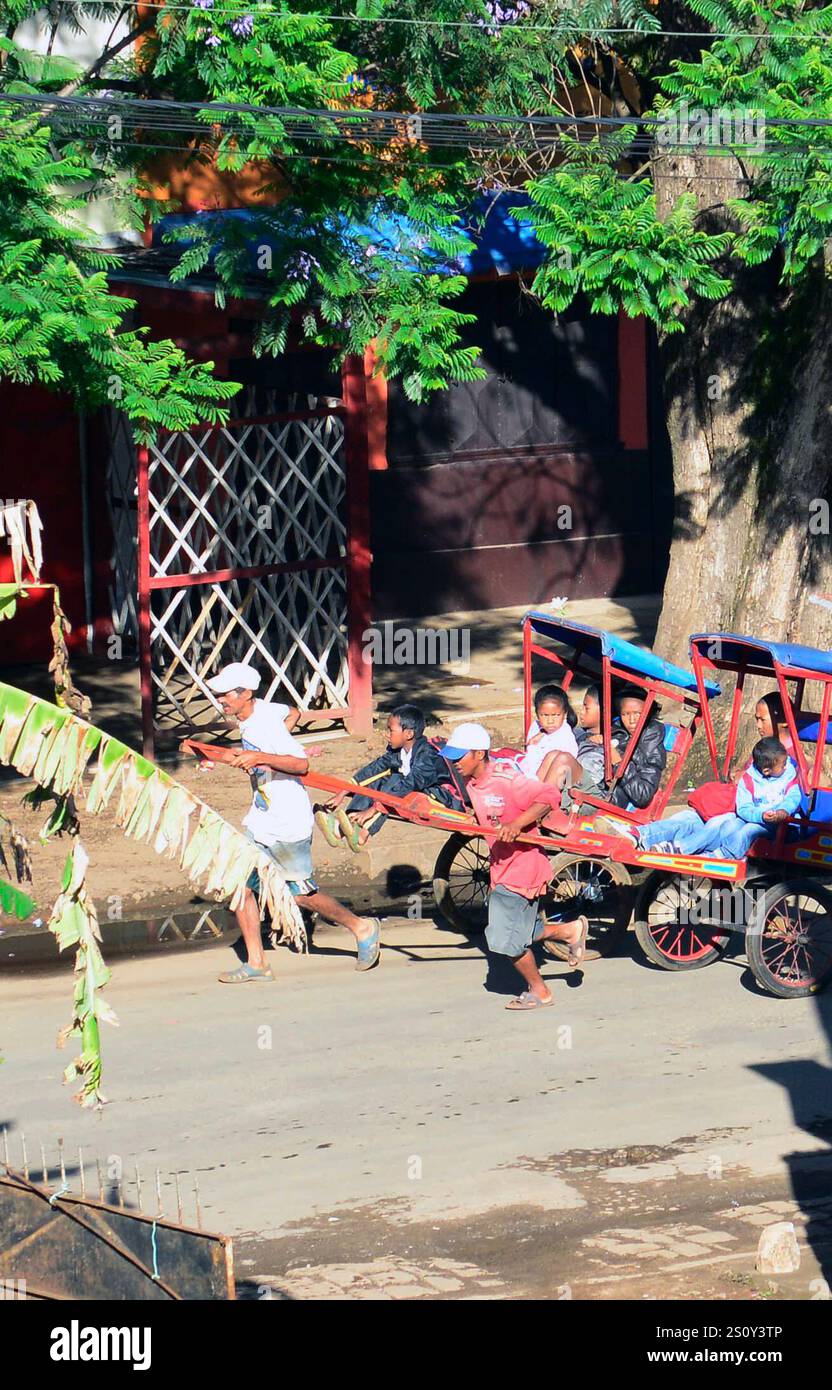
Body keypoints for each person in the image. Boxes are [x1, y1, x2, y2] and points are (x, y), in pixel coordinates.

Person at [196, 663, 381, 981]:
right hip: (261, 819)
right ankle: (257, 962)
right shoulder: (262, 712)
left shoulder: (264, 726)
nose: (220, 700)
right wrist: (210, 753)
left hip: (288, 820)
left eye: (226, 694)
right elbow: (292, 712)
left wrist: (263, 757)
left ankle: (362, 927)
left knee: (299, 895)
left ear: (246, 694)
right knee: (240, 885)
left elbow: (300, 763)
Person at [440, 722, 590, 1012]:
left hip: (523, 868)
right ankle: (571, 931)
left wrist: (517, 824)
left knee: (502, 940)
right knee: (524, 931)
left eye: (459, 756)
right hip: (502, 866)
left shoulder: (506, 779)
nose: (454, 762)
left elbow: (548, 797)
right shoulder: (473, 784)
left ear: (479, 754)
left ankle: (539, 990)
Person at [315, 703, 466, 850]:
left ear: (408, 734)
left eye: (391, 730)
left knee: (396, 781)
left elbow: (409, 785)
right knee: (379, 778)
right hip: (416, 793)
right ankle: (348, 822)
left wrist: (373, 809)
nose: (387, 735)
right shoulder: (399, 752)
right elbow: (373, 770)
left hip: (442, 801)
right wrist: (342, 792)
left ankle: (363, 831)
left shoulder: (428, 757)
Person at [635, 737, 800, 858]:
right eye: (783, 765)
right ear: (766, 771)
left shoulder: (788, 773)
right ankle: (679, 847)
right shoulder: (749, 779)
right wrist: (760, 815)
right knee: (720, 823)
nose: (786, 767)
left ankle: (723, 854)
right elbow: (743, 808)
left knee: (747, 831)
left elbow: (793, 796)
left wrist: (783, 811)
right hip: (752, 817)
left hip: (778, 825)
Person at [607, 686, 666, 809]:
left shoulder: (652, 745)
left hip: (610, 798)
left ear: (648, 712)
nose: (631, 720)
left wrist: (619, 763)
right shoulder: (616, 730)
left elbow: (643, 795)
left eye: (638, 714)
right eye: (625, 714)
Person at [518, 684, 578, 780]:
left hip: (549, 780)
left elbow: (560, 769)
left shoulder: (565, 737)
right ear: (537, 714)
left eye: (556, 715)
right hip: (529, 771)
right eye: (545, 715)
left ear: (565, 714)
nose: (550, 721)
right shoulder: (536, 726)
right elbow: (530, 758)